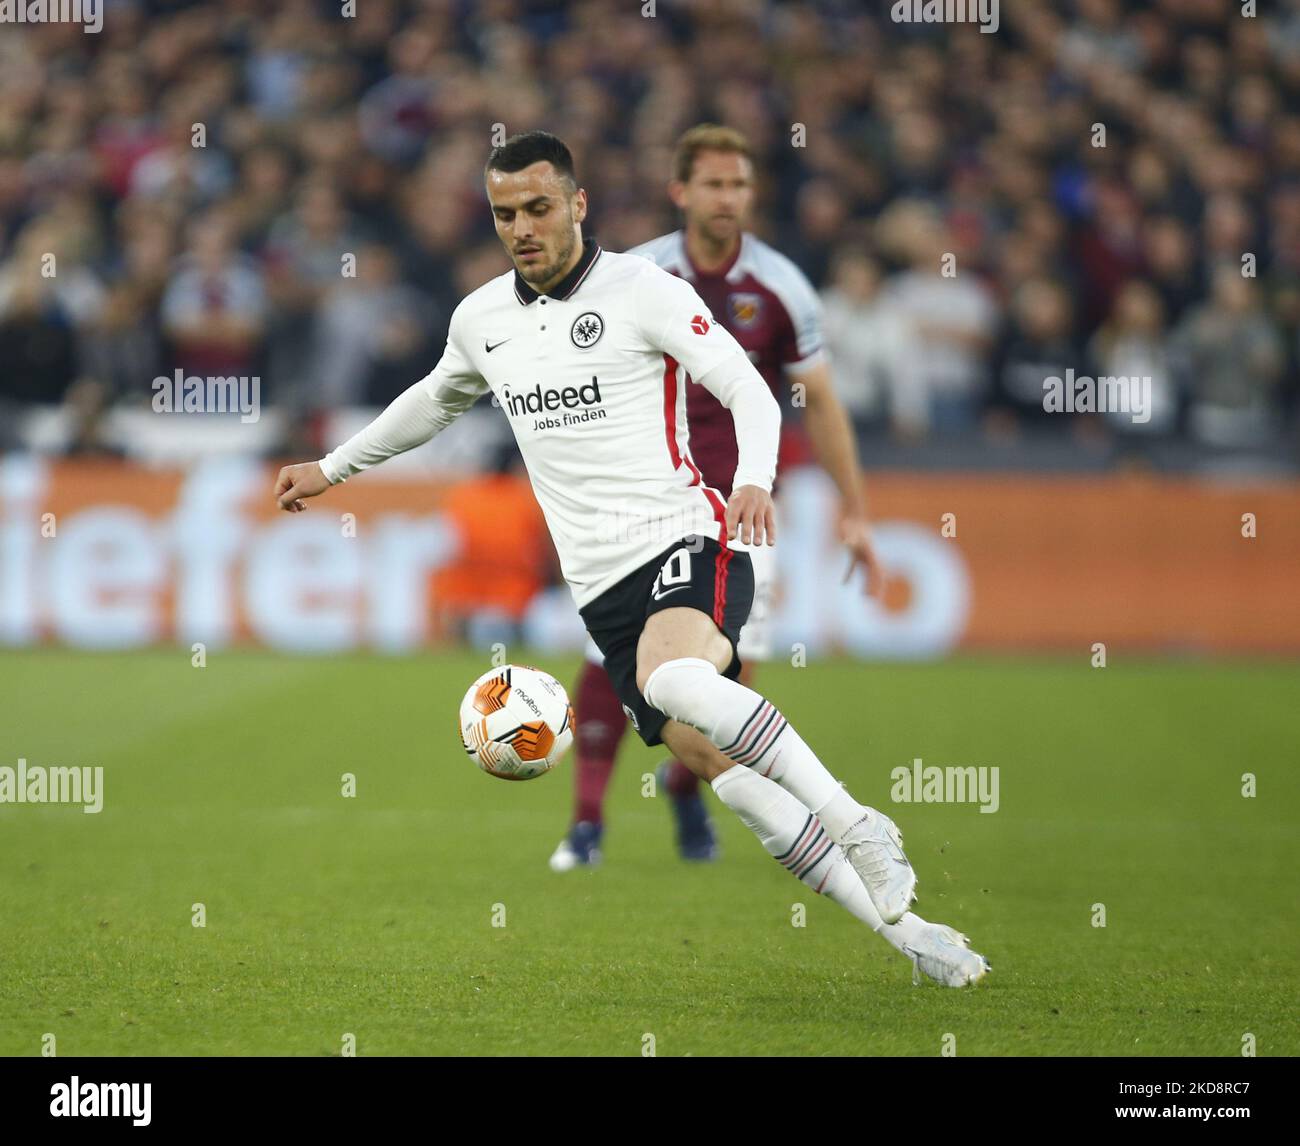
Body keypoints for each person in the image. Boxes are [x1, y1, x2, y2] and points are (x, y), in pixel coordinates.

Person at [273, 131, 988, 987]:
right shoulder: (481, 321)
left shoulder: (643, 289)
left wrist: (755, 481)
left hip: (689, 536)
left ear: (577, 204)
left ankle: (859, 822)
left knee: (673, 681)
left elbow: (748, 388)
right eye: (505, 215)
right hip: (600, 588)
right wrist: (332, 468)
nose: (522, 228)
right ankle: (906, 935)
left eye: (539, 208)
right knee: (707, 759)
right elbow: (432, 401)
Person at [550, 124, 885, 872]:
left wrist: (855, 509)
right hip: (646, 502)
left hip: (741, 509)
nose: (729, 198)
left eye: (739, 184)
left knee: (727, 672)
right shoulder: (637, 277)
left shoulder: (781, 288)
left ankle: (685, 787)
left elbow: (820, 401)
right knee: (613, 658)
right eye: (713, 184)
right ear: (680, 192)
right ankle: (586, 821)